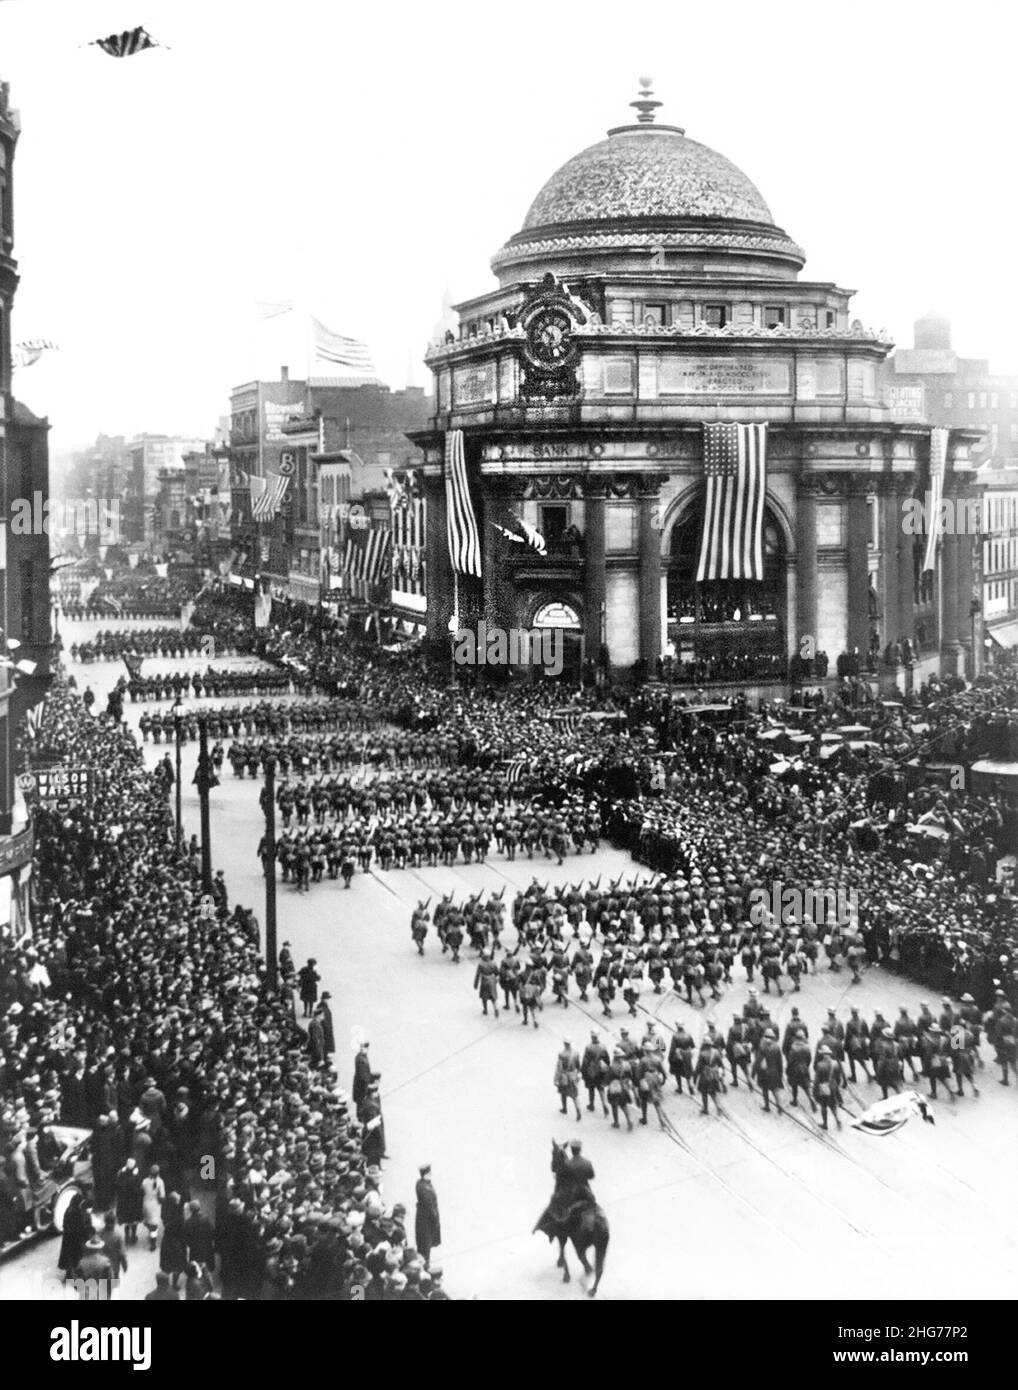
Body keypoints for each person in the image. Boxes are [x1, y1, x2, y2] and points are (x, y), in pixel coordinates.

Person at [58, 1190, 91, 1277]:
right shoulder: (76, 1212)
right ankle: (76, 1276)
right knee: (75, 1257)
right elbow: (81, 1227)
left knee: (68, 1256)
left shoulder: (68, 1209)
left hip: (67, 1237)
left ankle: (68, 1274)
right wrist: (87, 1236)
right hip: (75, 1239)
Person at [414, 1164, 442, 1269]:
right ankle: (425, 1266)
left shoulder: (420, 1183)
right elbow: (430, 1207)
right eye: (429, 1173)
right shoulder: (426, 1189)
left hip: (421, 1216)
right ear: (426, 1174)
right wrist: (436, 1221)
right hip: (427, 1220)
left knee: (423, 1243)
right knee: (426, 1243)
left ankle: (424, 1264)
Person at [74, 1233, 114, 1299]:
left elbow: (77, 1282)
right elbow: (110, 1280)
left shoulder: (82, 1262)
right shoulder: (105, 1262)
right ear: (100, 1248)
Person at [115, 1158, 143, 1245]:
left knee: (126, 1220)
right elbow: (137, 1187)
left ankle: (127, 1237)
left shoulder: (121, 1173)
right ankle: (133, 1236)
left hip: (124, 1201)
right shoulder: (136, 1175)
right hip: (134, 1201)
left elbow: (118, 1185)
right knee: (134, 1220)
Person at [554, 1041, 582, 1121]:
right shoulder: (576, 1053)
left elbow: (559, 1068)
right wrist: (578, 1074)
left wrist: (556, 1079)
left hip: (564, 1077)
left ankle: (564, 1108)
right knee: (574, 1095)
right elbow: (578, 1066)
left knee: (563, 1093)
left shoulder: (561, 1054)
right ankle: (578, 1110)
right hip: (573, 1076)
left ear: (564, 1044)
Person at [141, 1163, 165, 1251]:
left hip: (146, 1203)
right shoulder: (160, 1182)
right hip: (155, 1205)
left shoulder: (145, 1181)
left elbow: (142, 1190)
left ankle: (151, 1236)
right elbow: (162, 1195)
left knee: (149, 1222)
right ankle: (153, 1244)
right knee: (154, 1225)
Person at [99, 1209, 128, 1280]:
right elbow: (122, 1254)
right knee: (112, 1286)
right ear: (115, 1221)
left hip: (100, 1267)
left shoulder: (99, 1234)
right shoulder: (118, 1236)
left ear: (105, 1221)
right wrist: (125, 1266)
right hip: (113, 1268)